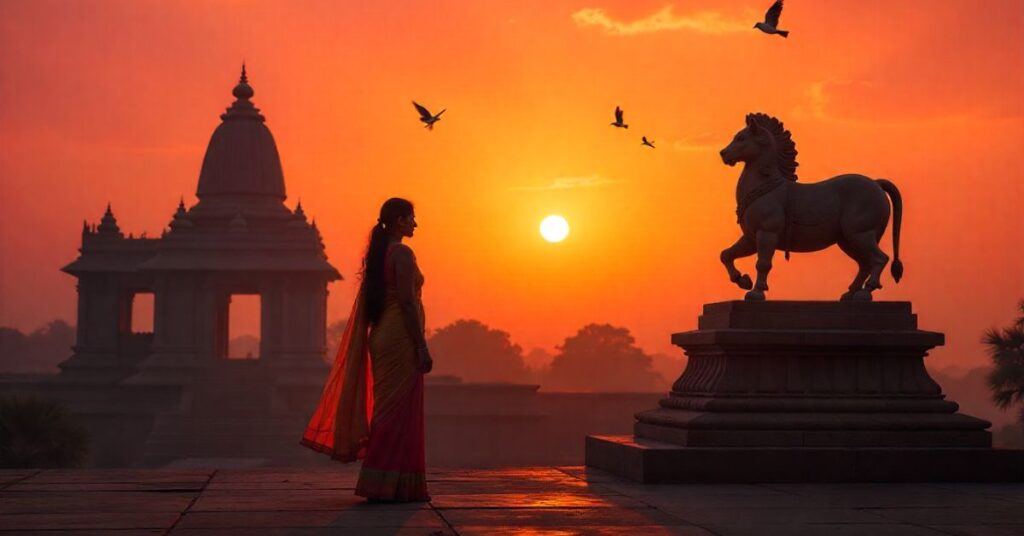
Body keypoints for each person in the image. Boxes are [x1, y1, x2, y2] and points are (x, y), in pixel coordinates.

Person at [301, 197, 433, 502]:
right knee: (397, 412)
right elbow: (407, 302)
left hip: (383, 336)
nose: (416, 224)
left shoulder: (378, 254)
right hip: (400, 337)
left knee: (390, 411)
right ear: (400, 220)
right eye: (412, 218)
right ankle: (387, 484)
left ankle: (390, 483)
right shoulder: (401, 252)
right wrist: (422, 346)